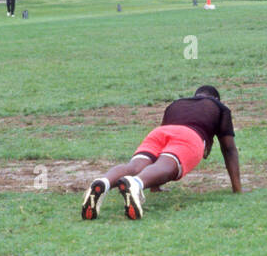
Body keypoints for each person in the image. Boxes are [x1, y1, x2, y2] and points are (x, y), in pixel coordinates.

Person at [80, 85, 240, 221]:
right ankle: (136, 184)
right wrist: (237, 188)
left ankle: (104, 182)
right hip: (190, 135)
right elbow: (229, 149)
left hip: (159, 133)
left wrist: (155, 187)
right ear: (216, 99)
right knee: (167, 164)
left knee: (135, 165)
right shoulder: (219, 107)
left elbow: (161, 147)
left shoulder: (177, 104)